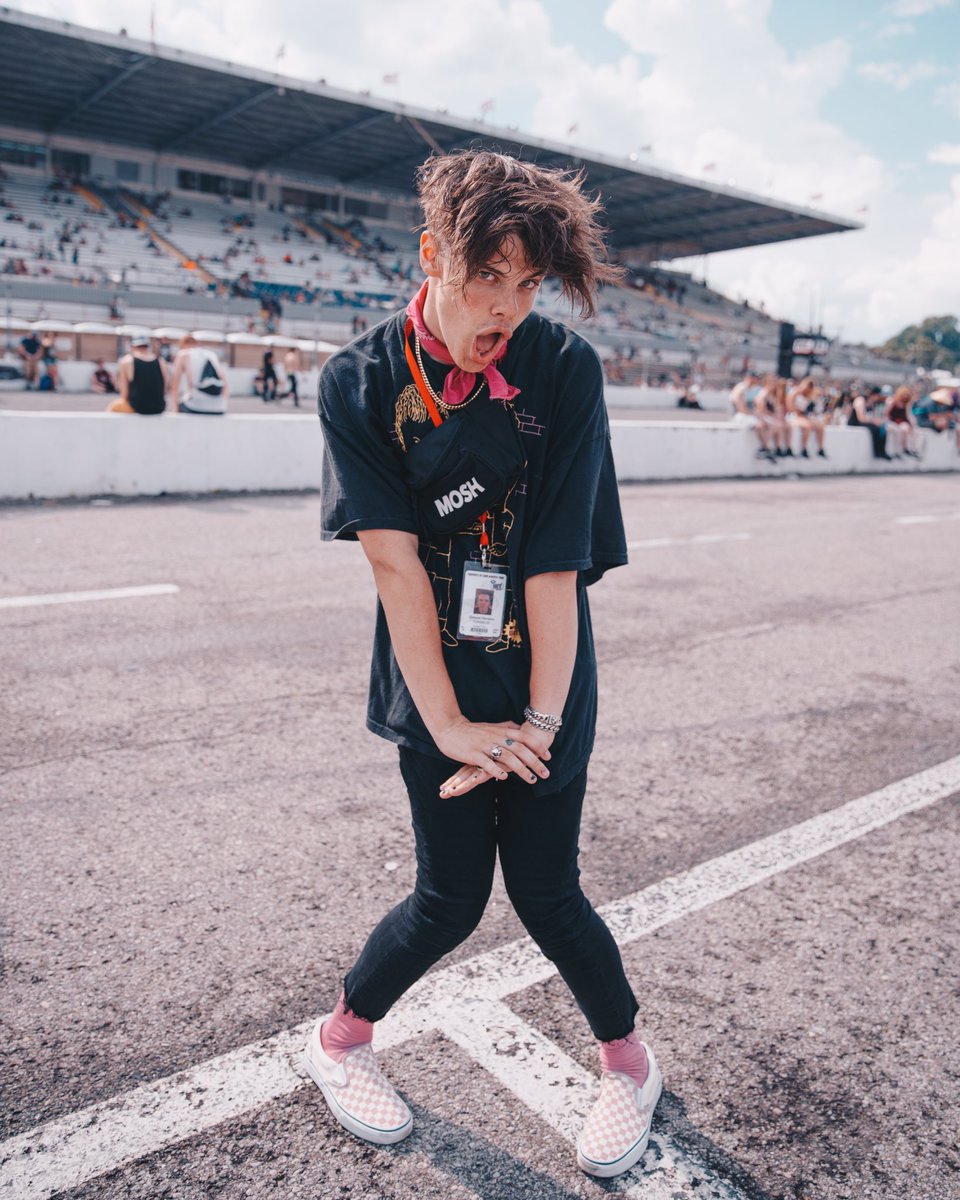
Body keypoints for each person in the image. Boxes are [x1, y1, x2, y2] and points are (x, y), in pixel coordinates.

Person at [308, 149, 660, 1181]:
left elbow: (556, 564)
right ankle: (340, 1042)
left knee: (549, 894)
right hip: (436, 691)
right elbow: (394, 565)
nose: (507, 306)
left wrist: (540, 724)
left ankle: (630, 1066)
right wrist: (453, 726)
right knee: (449, 899)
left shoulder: (563, 368)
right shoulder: (359, 380)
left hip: (547, 680)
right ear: (433, 255)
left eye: (529, 282)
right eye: (488, 275)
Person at [107, 334, 169, 414]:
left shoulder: (126, 361)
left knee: (111, 408)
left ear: (132, 346)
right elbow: (164, 390)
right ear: (148, 346)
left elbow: (124, 395)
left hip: (137, 407)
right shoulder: (161, 361)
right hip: (159, 408)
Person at [170, 334, 228, 415]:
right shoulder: (211, 354)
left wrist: (175, 409)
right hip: (219, 408)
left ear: (182, 345)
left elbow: (175, 384)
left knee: (183, 403)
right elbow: (225, 385)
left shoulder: (183, 354)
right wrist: (221, 405)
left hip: (195, 407)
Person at [848, 385, 891, 460]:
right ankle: (877, 452)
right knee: (875, 429)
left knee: (883, 428)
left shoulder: (872, 403)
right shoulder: (860, 400)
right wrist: (874, 421)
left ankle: (882, 451)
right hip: (855, 422)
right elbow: (861, 418)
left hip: (864, 422)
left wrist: (878, 421)